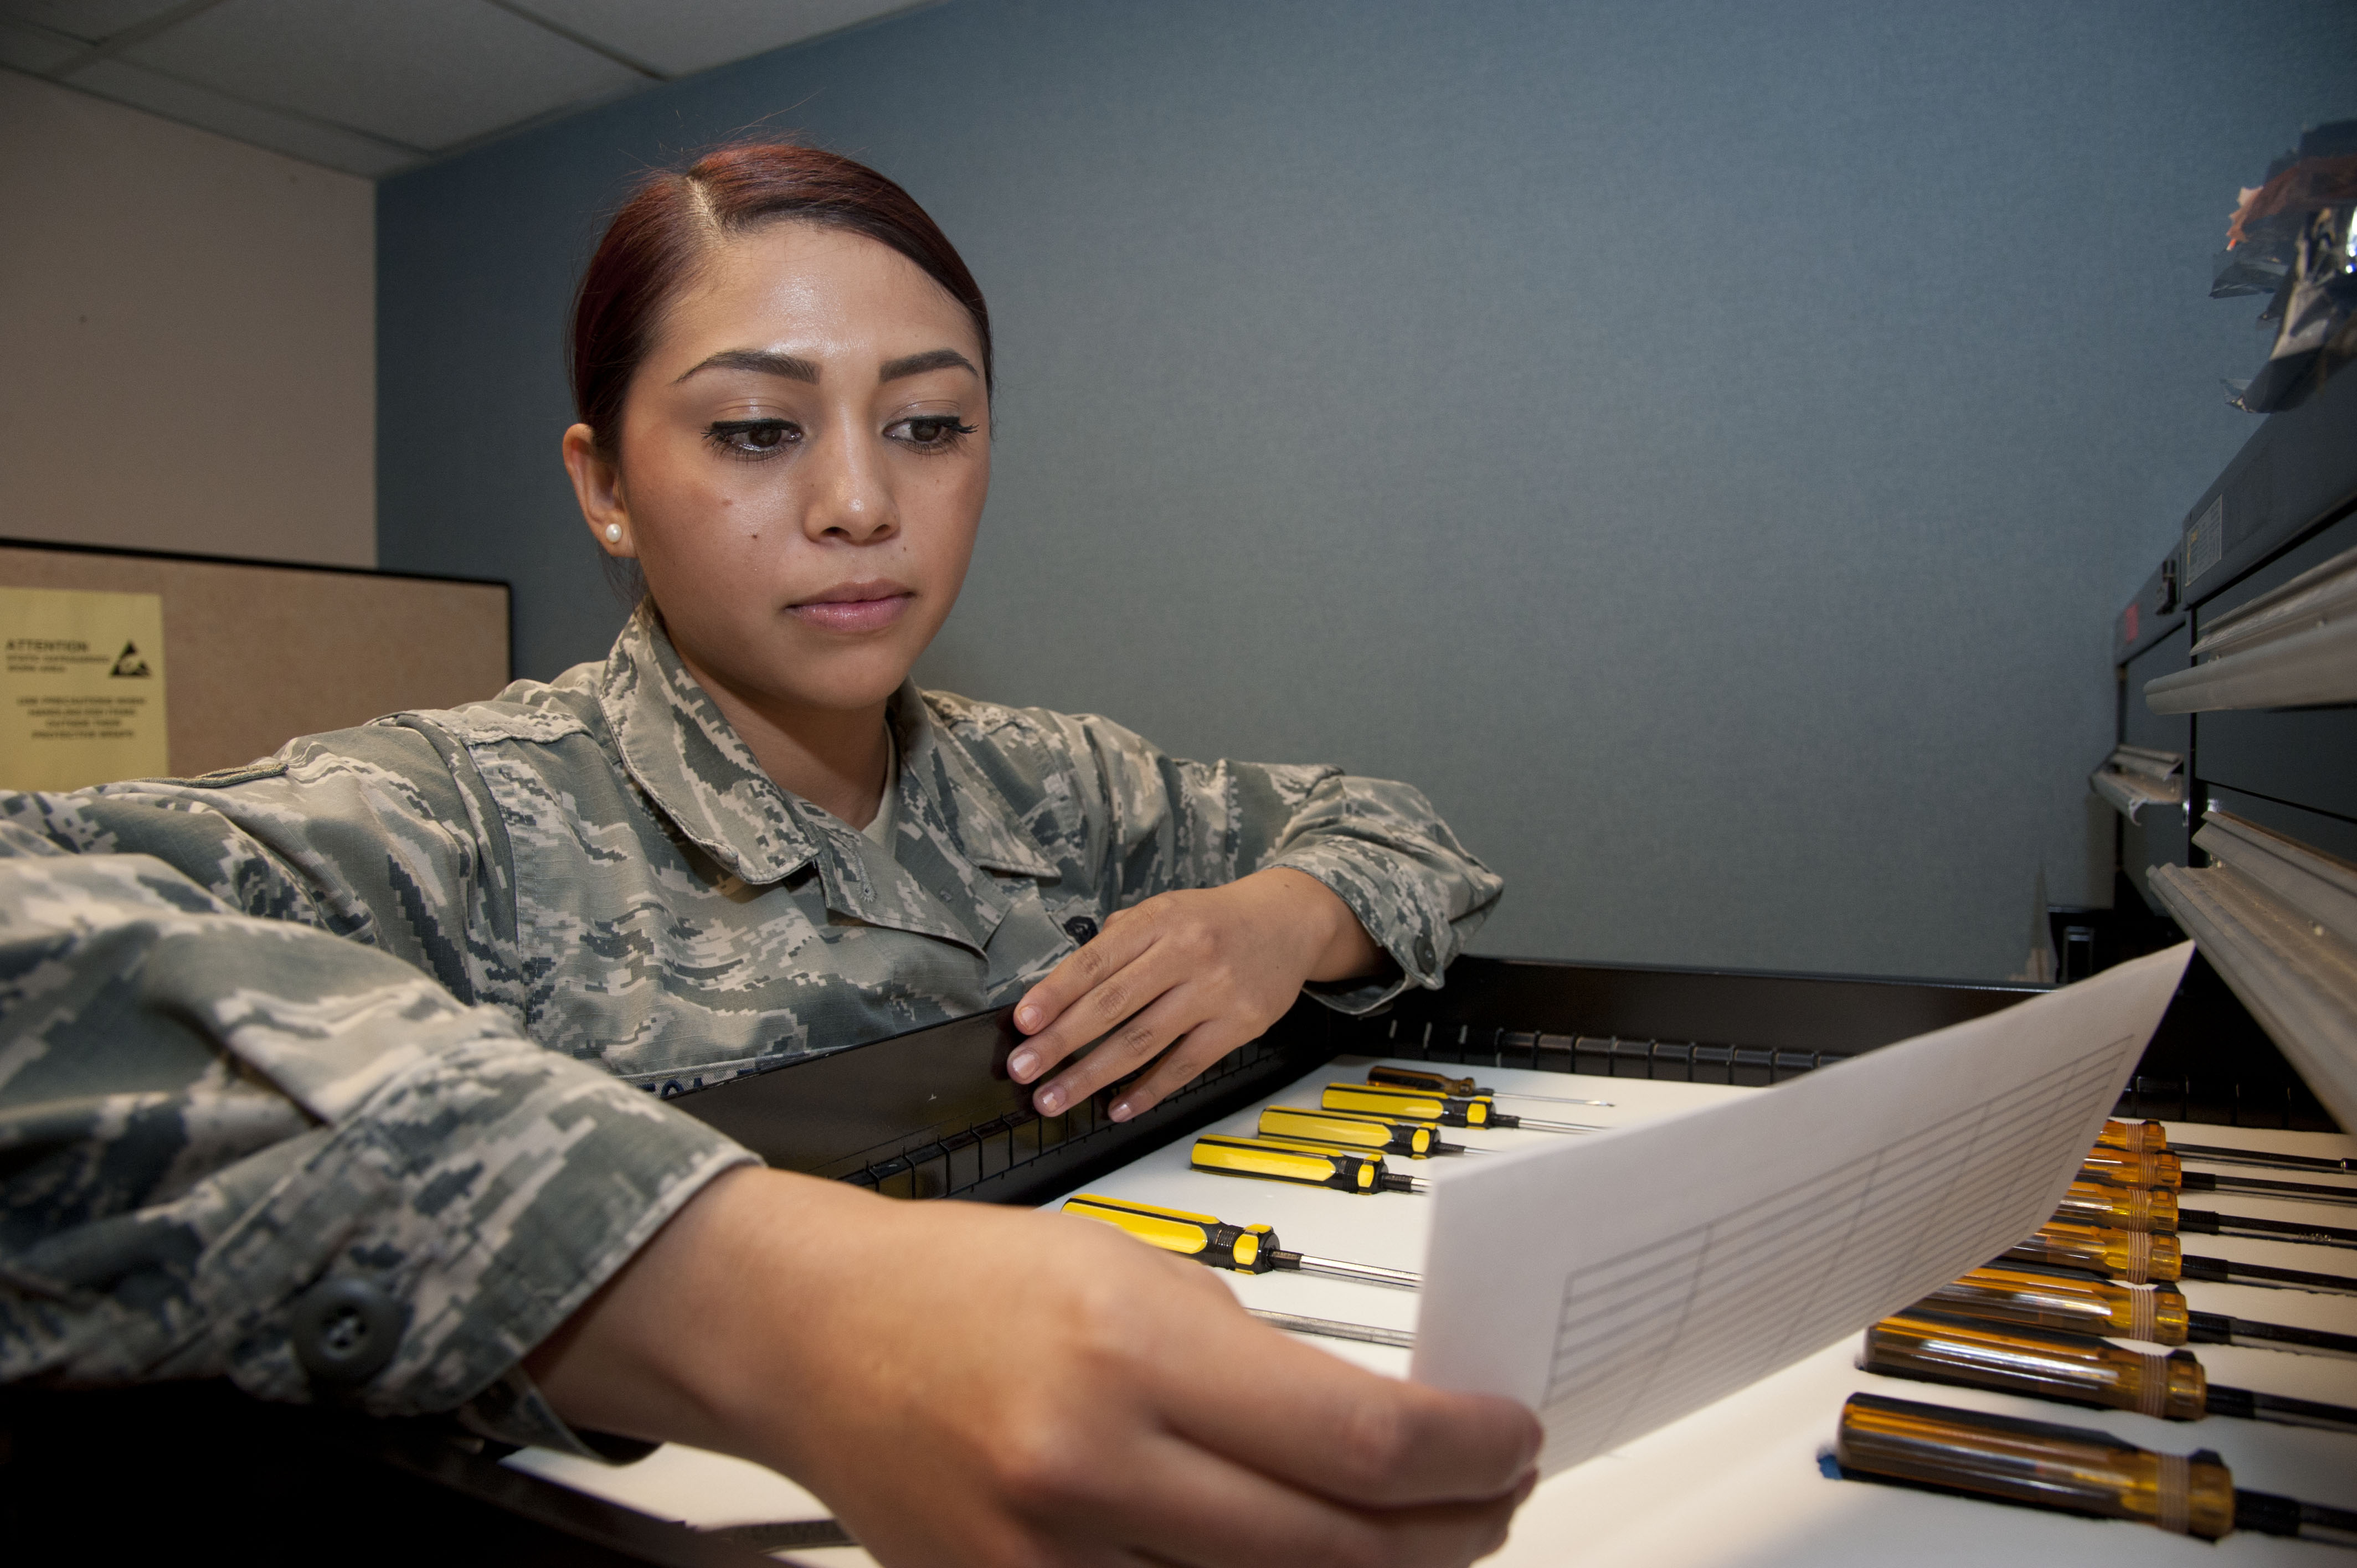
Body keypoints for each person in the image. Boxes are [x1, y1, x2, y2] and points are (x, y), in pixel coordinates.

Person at [0, 143, 1538, 1565]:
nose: (862, 503)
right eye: (755, 431)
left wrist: (1281, 916)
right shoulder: (455, 814)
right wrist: (745, 1297)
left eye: (930, 426)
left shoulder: (1057, 784)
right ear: (605, 486)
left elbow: (1400, 829)